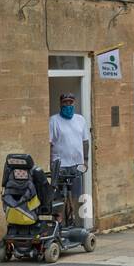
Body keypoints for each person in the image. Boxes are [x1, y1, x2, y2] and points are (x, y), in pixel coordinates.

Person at [48, 92, 89, 223]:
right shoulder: (54, 120)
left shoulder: (80, 119)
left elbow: (85, 141)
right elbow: (50, 143)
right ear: (60, 104)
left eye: (70, 102)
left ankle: (73, 220)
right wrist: (51, 164)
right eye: (65, 102)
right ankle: (59, 224)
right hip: (60, 164)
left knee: (75, 194)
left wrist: (86, 160)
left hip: (77, 164)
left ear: (74, 103)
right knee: (60, 196)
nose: (68, 105)